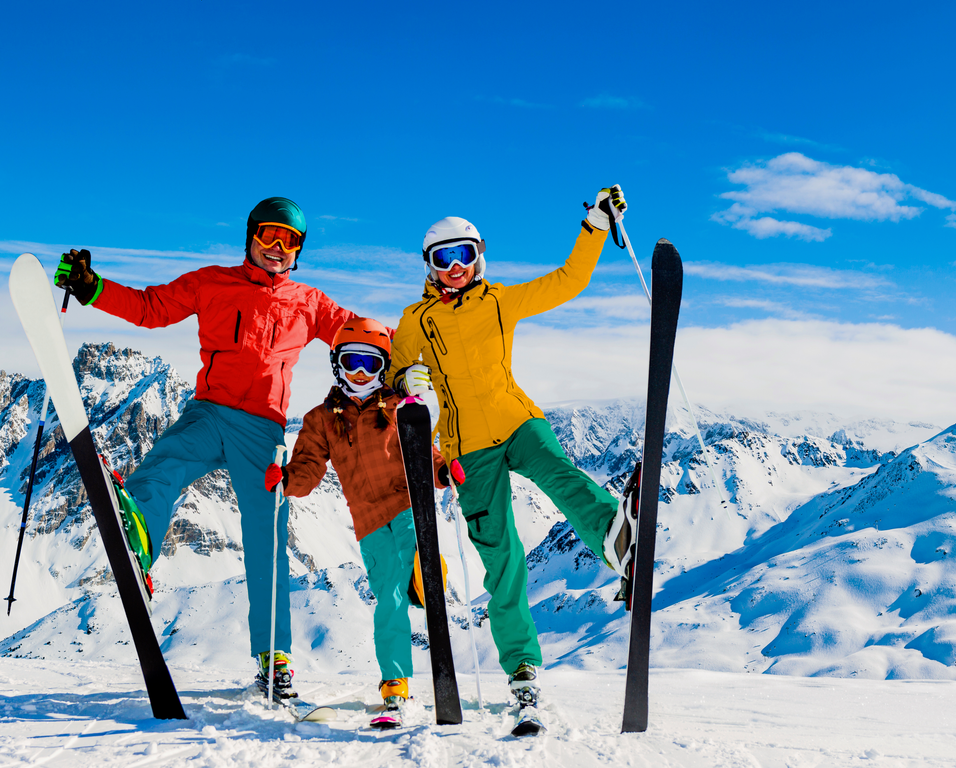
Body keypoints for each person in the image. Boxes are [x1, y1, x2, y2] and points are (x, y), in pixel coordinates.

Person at [54, 197, 358, 700]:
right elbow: (151, 309)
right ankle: (142, 545)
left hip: (262, 429)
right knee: (160, 467)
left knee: (267, 536)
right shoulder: (211, 282)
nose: (278, 248)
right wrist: (93, 288)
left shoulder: (309, 302)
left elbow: (361, 336)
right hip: (209, 411)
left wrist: (414, 355)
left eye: (290, 240)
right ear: (250, 237)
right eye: (269, 235)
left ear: (299, 250)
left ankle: (274, 657)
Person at [389, 186, 634, 711]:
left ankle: (616, 537)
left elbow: (566, 283)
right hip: (467, 450)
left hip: (517, 421)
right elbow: (399, 387)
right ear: (429, 266)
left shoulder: (500, 300)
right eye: (443, 258)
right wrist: (412, 401)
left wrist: (593, 227)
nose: (454, 267)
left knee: (559, 473)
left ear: (479, 257)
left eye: (464, 255)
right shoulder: (415, 321)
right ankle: (522, 664)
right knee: (502, 558)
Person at [264, 317, 464, 727]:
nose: (360, 373)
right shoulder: (322, 418)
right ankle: (396, 688)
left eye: (370, 365)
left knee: (421, 581)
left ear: (383, 368)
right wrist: (286, 481)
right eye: (352, 362)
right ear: (337, 365)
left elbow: (423, 448)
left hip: (410, 506)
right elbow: (308, 468)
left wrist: (443, 473)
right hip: (369, 523)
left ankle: (427, 581)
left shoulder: (396, 407)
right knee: (387, 600)